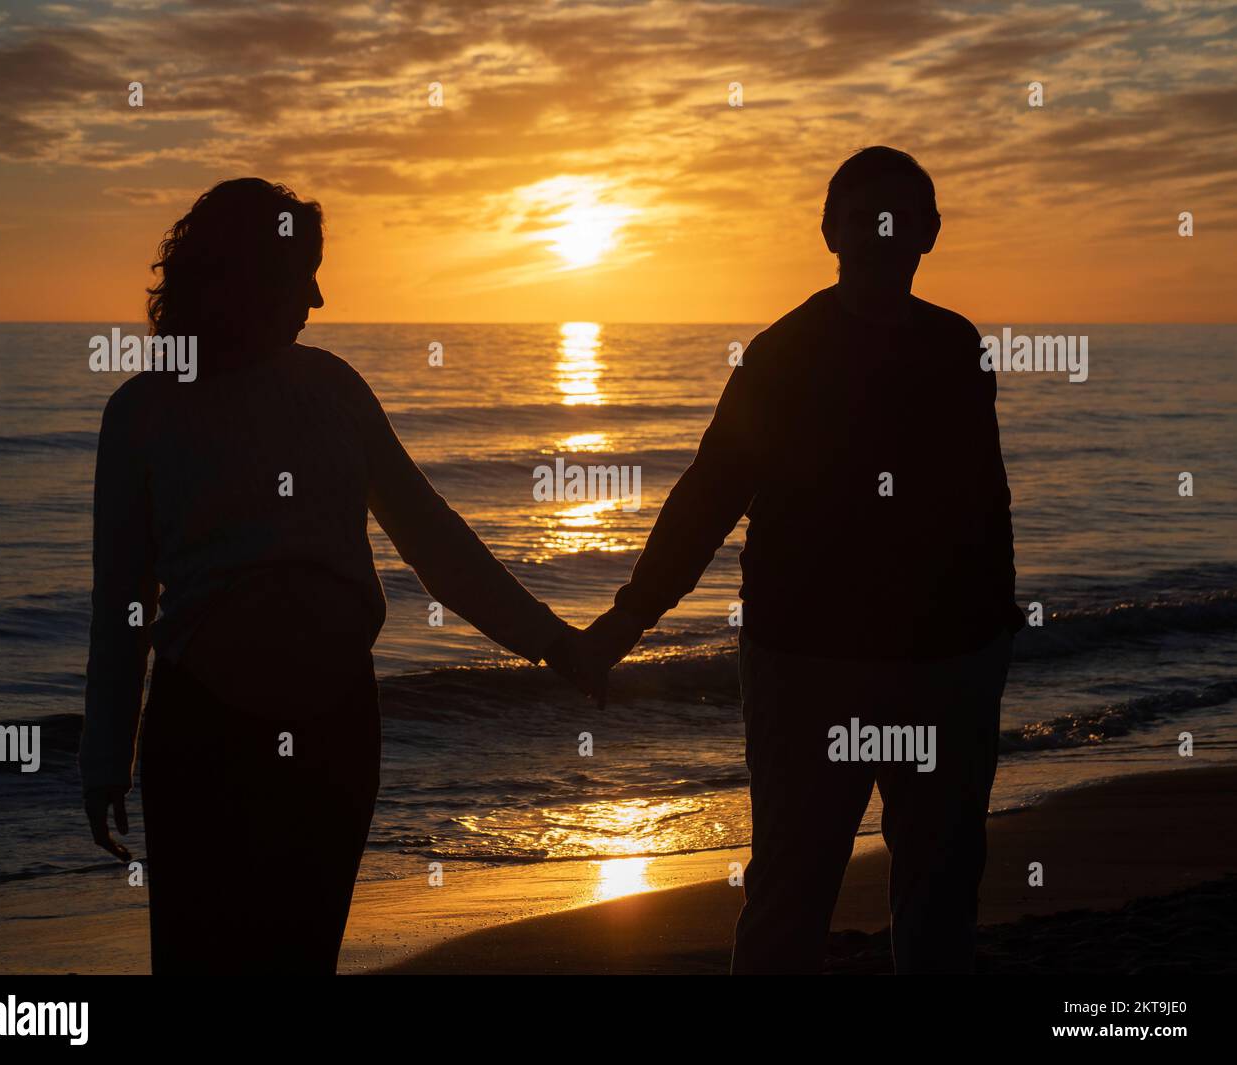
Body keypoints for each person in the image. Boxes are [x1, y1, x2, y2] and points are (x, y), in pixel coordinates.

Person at [80, 178, 599, 975]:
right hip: (207, 740)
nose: (320, 296)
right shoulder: (143, 412)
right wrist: (105, 753)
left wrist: (554, 644)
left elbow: (434, 540)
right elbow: (122, 603)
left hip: (336, 734)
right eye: (302, 272)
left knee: (302, 961)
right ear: (241, 275)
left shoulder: (334, 389)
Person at [580, 147, 1024, 974]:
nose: (883, 234)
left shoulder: (957, 346)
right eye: (864, 217)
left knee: (943, 883)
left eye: (901, 218)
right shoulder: (781, 355)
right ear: (830, 232)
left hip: (948, 663)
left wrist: (998, 627)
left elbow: (984, 499)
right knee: (794, 883)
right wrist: (627, 617)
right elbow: (711, 492)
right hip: (809, 667)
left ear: (929, 232)